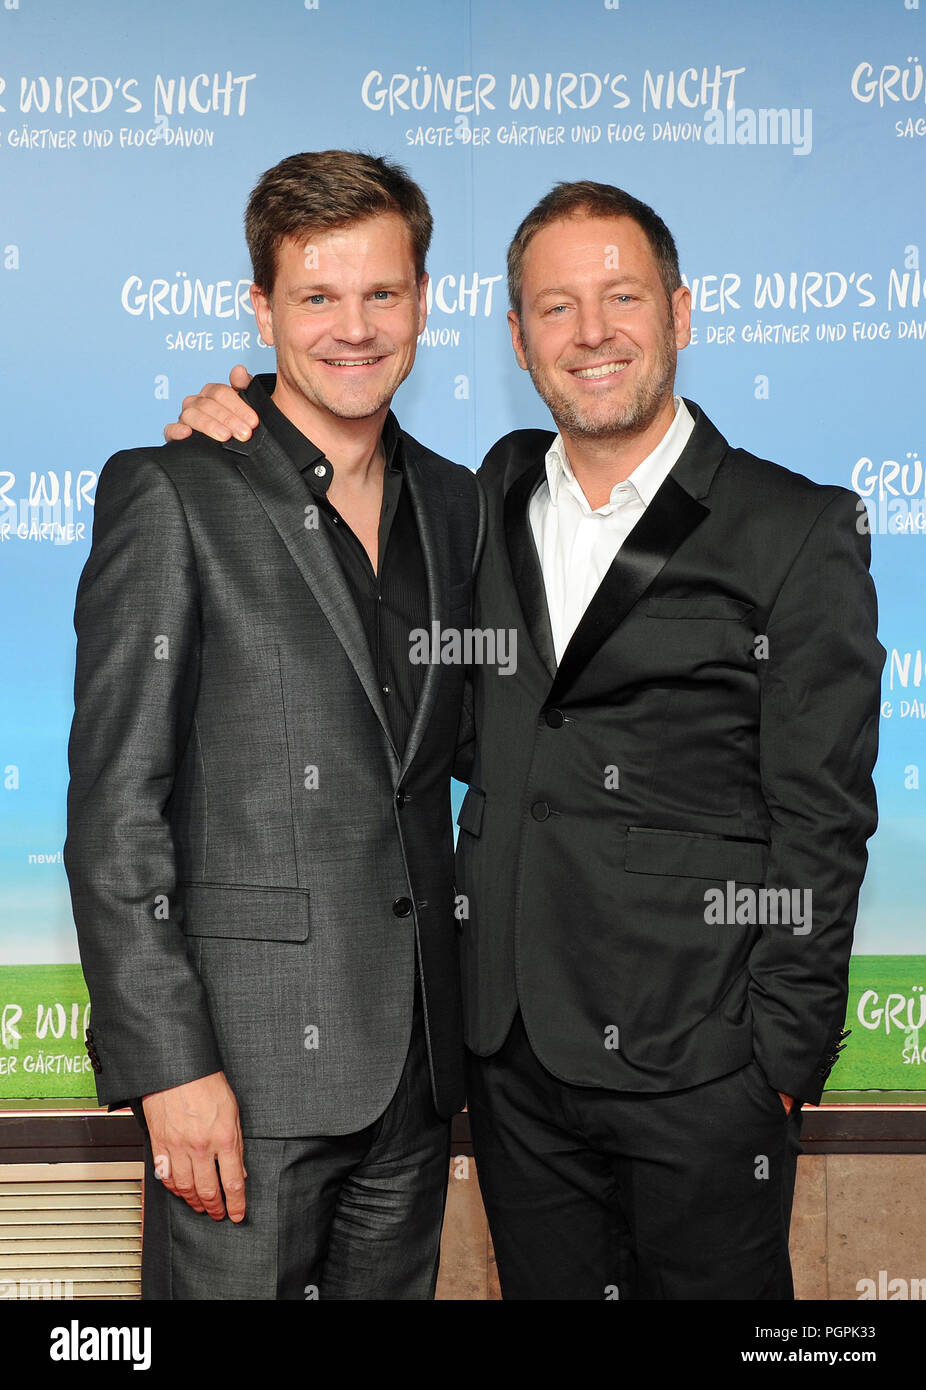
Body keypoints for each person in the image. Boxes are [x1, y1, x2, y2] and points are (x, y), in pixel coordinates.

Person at [169, 179, 884, 1301]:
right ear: (514, 336)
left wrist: (776, 1068)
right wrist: (243, 414)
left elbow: (823, 817)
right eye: (554, 307)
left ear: (680, 312)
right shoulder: (484, 498)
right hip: (509, 1066)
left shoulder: (794, 528)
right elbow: (441, 722)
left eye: (619, 298)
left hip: (701, 1071)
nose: (589, 332)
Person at [64, 150, 483, 1301]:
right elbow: (115, 810)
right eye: (316, 296)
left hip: (413, 1074)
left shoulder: (457, 502)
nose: (354, 328)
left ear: (424, 301)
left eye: (382, 293)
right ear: (262, 307)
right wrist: (170, 1064)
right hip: (238, 1078)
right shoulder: (175, 489)